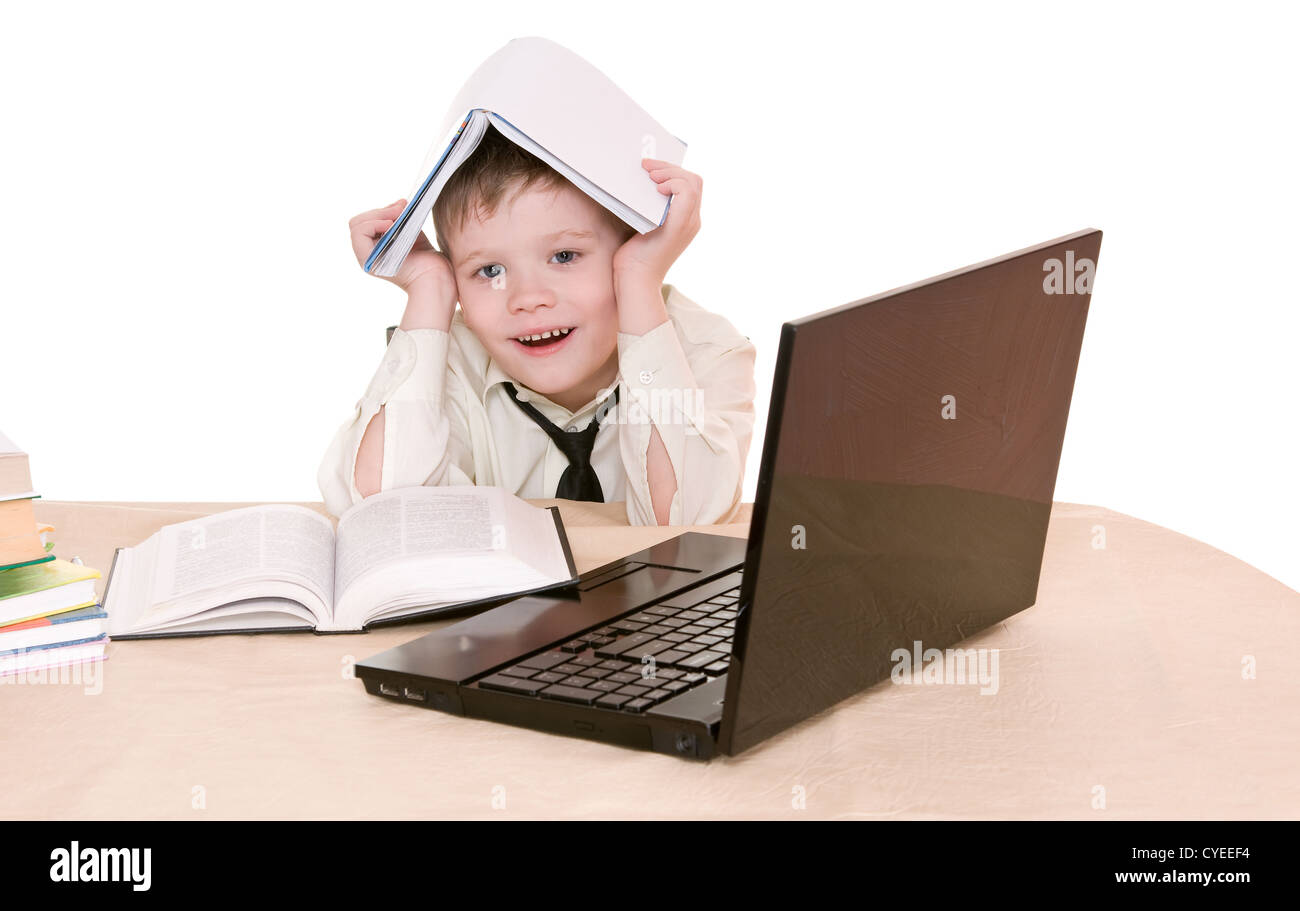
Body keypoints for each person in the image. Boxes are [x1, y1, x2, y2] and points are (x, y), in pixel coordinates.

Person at [318, 126, 757, 526]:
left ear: (630, 244)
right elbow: (380, 514)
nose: (528, 298)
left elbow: (686, 523)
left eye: (564, 256)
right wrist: (428, 289)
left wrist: (640, 278)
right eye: (489, 271)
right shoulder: (453, 361)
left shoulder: (707, 350)